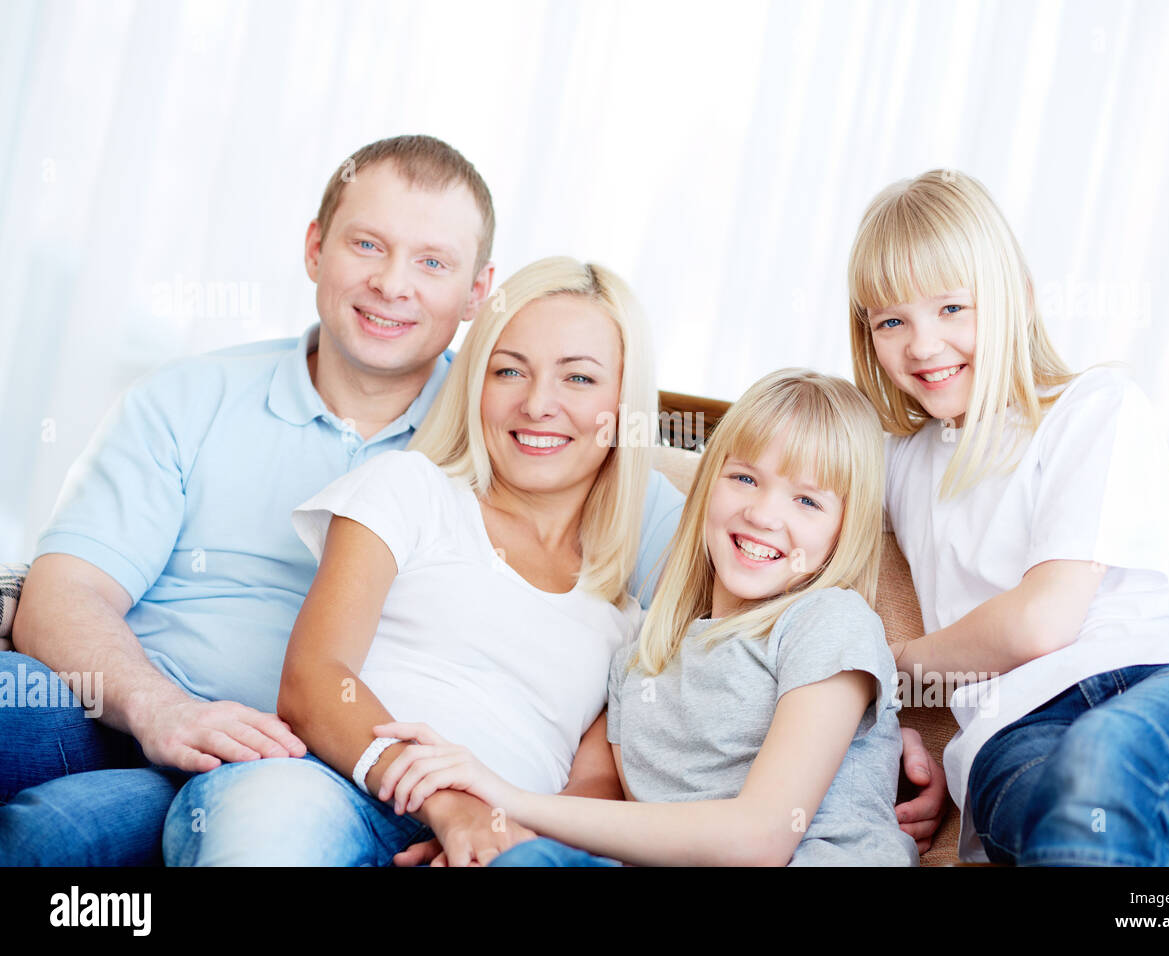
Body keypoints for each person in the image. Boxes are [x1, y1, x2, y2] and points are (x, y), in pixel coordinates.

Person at [1, 136, 685, 865]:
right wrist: (161, 711)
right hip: (131, 711)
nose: (393, 285)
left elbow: (732, 561)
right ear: (315, 250)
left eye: (432, 262)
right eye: (367, 244)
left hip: (298, 764)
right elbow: (61, 593)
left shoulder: (516, 429)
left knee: (50, 836)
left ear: (477, 294)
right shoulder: (188, 399)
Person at [845, 168, 1169, 865]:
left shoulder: (1095, 408)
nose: (923, 346)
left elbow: (1041, 621)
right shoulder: (899, 463)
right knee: (1070, 829)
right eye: (892, 321)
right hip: (1015, 730)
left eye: (952, 309)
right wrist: (873, 725)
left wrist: (895, 665)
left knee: (1098, 767)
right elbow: (786, 503)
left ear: (1016, 300)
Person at [163, 257, 663, 865]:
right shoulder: (409, 488)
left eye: (578, 379)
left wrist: (500, 835)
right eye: (509, 370)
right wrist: (450, 805)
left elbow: (594, 789)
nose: (537, 404)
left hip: (496, 839)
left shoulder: (629, 615)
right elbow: (315, 677)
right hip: (328, 787)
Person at [359, 369, 920, 867]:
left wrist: (508, 797)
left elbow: (760, 839)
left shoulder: (829, 622)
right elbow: (601, 806)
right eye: (745, 478)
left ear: (846, 531)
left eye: (808, 501)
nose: (763, 514)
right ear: (706, 485)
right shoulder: (641, 656)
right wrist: (499, 833)